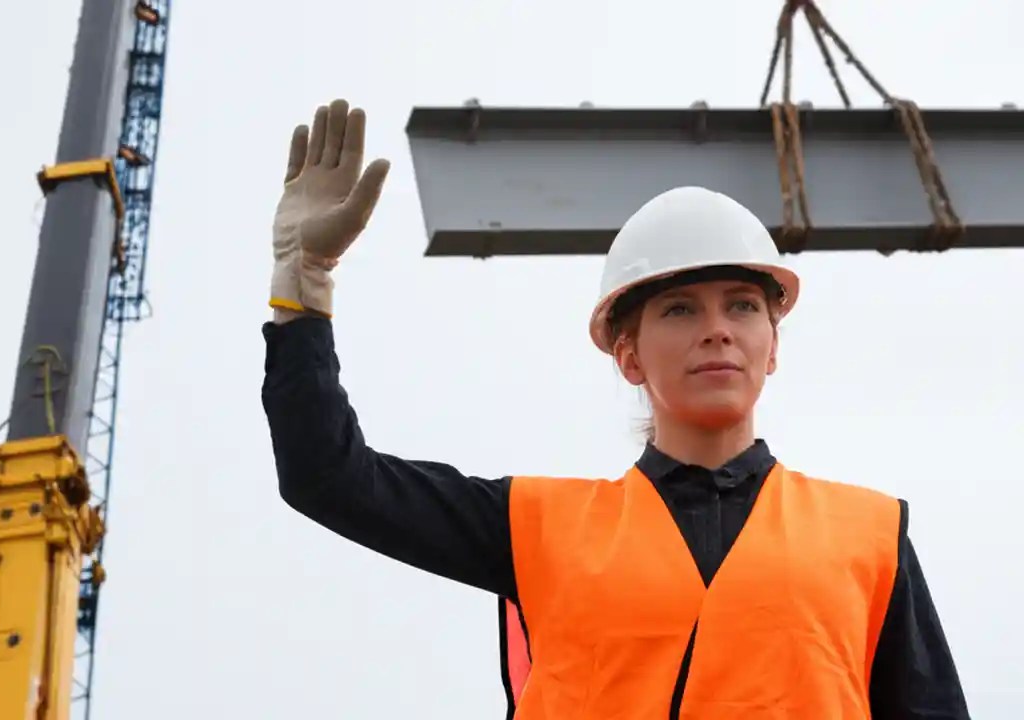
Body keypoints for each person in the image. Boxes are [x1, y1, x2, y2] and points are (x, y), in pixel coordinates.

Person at [261, 98, 970, 719]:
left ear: (772, 345)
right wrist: (303, 289)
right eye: (681, 309)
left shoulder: (870, 537)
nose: (717, 328)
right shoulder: (539, 529)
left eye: (743, 306)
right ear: (628, 355)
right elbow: (327, 477)